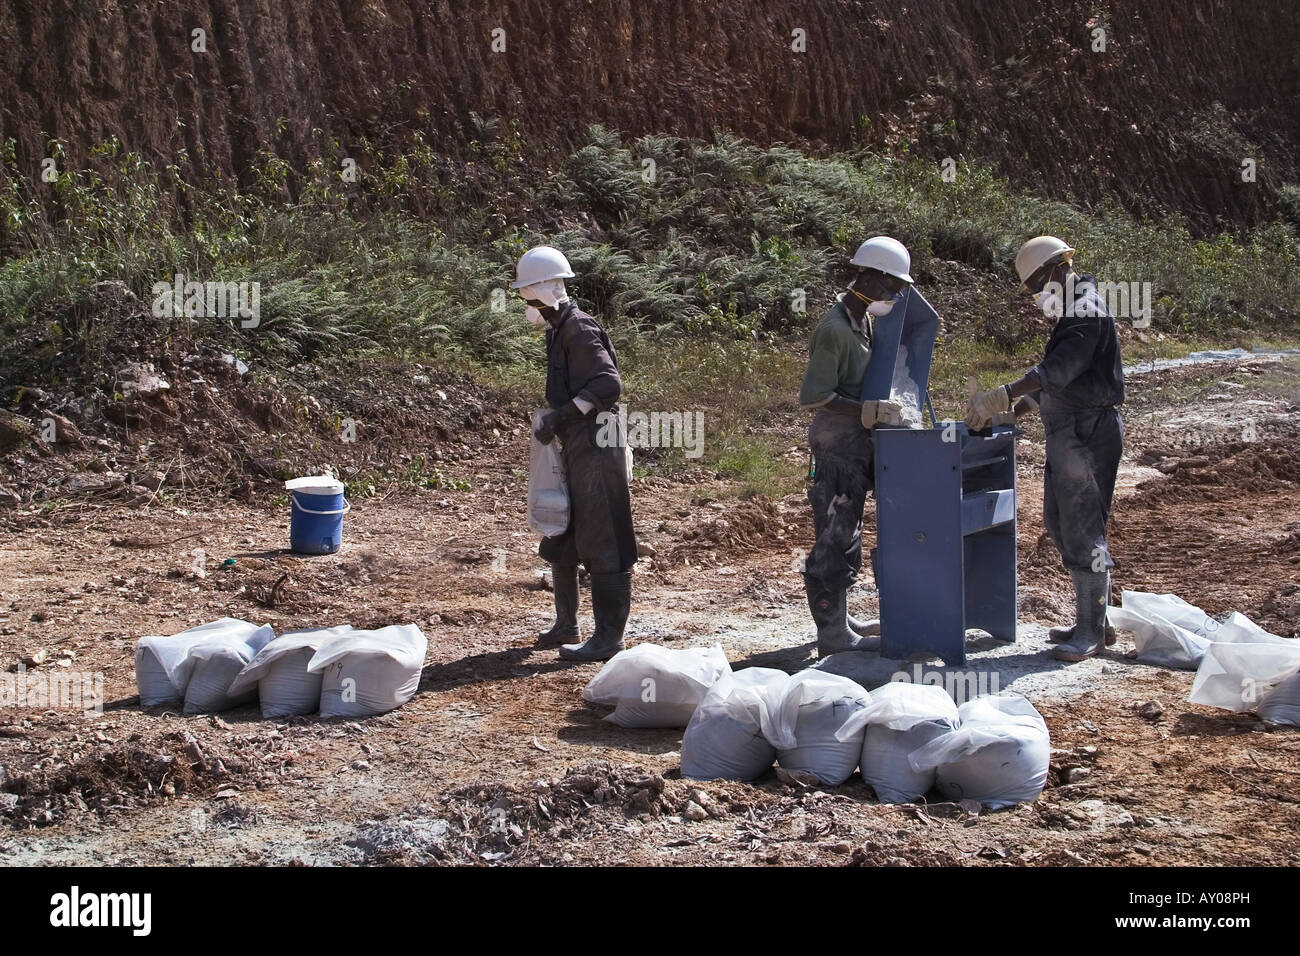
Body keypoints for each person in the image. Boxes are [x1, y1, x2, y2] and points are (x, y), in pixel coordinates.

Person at [965, 236, 1124, 662]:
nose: (1037, 296)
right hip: (1069, 430)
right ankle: (1095, 619)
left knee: (1084, 527)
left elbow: (1055, 371)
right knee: (1060, 520)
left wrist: (1002, 394)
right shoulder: (1072, 312)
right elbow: (1059, 382)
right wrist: (1017, 408)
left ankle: (1090, 631)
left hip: (1087, 433)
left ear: (1056, 271)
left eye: (1037, 286)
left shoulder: (1085, 312)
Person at [514, 245, 638, 662]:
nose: (525, 306)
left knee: (604, 537)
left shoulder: (579, 329)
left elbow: (608, 386)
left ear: (545, 292)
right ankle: (566, 624)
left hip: (599, 441)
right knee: (562, 529)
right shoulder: (558, 329)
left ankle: (608, 639)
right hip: (576, 440)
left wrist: (562, 415)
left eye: (528, 298)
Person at [798, 236, 912, 655]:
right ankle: (830, 634)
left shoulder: (861, 321)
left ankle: (840, 618)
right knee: (833, 538)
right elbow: (815, 395)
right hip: (834, 449)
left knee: (848, 532)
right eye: (890, 287)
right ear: (869, 276)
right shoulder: (833, 329)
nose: (893, 295)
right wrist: (866, 410)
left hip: (853, 447)